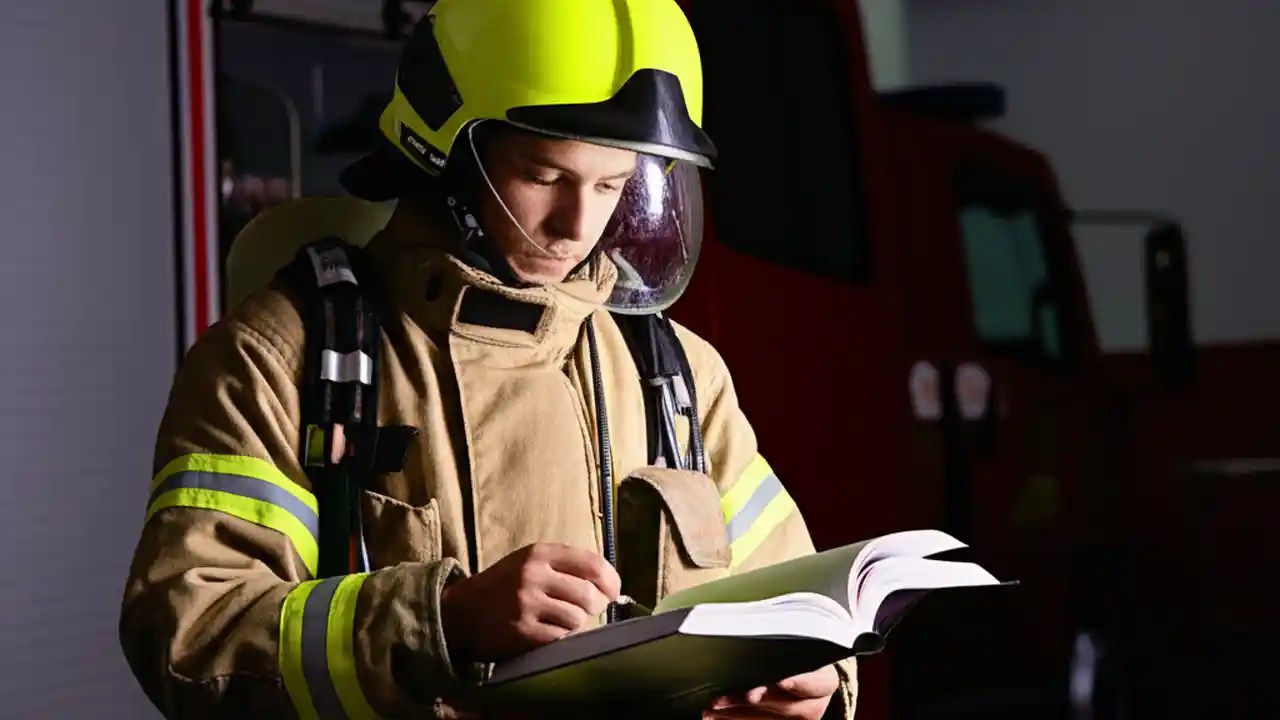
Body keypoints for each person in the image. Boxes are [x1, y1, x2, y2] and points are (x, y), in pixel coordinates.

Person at [119, 1, 858, 718]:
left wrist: (815, 683)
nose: (578, 226)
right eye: (543, 176)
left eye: (613, 184)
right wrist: (439, 621)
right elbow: (189, 637)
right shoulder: (282, 360)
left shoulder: (676, 374)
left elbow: (788, 598)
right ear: (446, 154)